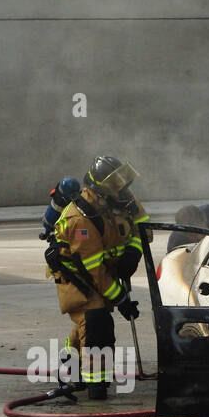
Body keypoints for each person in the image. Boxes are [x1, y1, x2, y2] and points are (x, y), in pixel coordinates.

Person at [45, 156, 148, 400]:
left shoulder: (121, 199)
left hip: (104, 271)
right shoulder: (80, 218)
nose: (123, 188)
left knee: (88, 321)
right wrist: (121, 299)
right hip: (77, 277)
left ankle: (68, 370)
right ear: (100, 188)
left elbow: (143, 225)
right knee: (97, 322)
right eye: (116, 183)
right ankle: (96, 386)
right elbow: (93, 270)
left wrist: (133, 252)